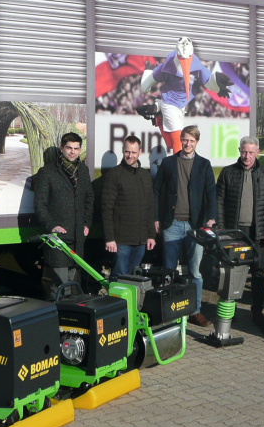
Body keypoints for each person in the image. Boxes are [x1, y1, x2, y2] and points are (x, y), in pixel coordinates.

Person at [153, 125, 217, 326]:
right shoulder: (168, 163)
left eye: (192, 140)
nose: (188, 144)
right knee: (169, 271)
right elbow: (156, 192)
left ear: (197, 142)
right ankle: (171, 312)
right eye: (185, 139)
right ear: (180, 140)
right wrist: (156, 218)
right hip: (171, 225)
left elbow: (211, 194)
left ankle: (195, 311)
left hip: (194, 226)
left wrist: (211, 217)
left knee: (195, 272)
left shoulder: (204, 165)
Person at [216, 136, 264, 325]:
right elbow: (218, 201)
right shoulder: (228, 172)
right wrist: (221, 229)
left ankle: (257, 311)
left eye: (251, 152)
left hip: (257, 233)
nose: (247, 156)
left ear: (257, 152)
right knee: (232, 273)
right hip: (234, 233)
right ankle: (230, 311)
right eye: (244, 151)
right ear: (239, 150)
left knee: (258, 273)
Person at [137, 37, 233, 154]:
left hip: (182, 105)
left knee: (170, 143)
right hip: (169, 101)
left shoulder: (197, 67)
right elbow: (148, 81)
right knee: (178, 140)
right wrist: (148, 72)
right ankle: (178, 167)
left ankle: (159, 117)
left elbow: (208, 81)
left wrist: (217, 83)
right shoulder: (167, 67)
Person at [34, 132, 94, 300]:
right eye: (69, 148)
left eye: (76, 148)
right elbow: (39, 204)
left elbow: (89, 198)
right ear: (62, 148)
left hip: (77, 238)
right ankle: (56, 319)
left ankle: (73, 319)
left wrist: (87, 223)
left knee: (75, 286)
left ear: (80, 149)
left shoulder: (83, 170)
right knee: (58, 287)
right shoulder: (47, 172)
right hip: (58, 239)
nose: (72, 152)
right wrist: (51, 225)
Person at [101, 135, 156, 278]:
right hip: (121, 242)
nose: (130, 155)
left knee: (133, 279)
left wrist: (151, 235)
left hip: (140, 241)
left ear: (140, 152)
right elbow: (107, 209)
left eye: (133, 152)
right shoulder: (114, 175)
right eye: (127, 152)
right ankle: (115, 300)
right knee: (119, 278)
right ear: (122, 151)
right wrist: (110, 239)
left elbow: (150, 207)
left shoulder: (145, 175)